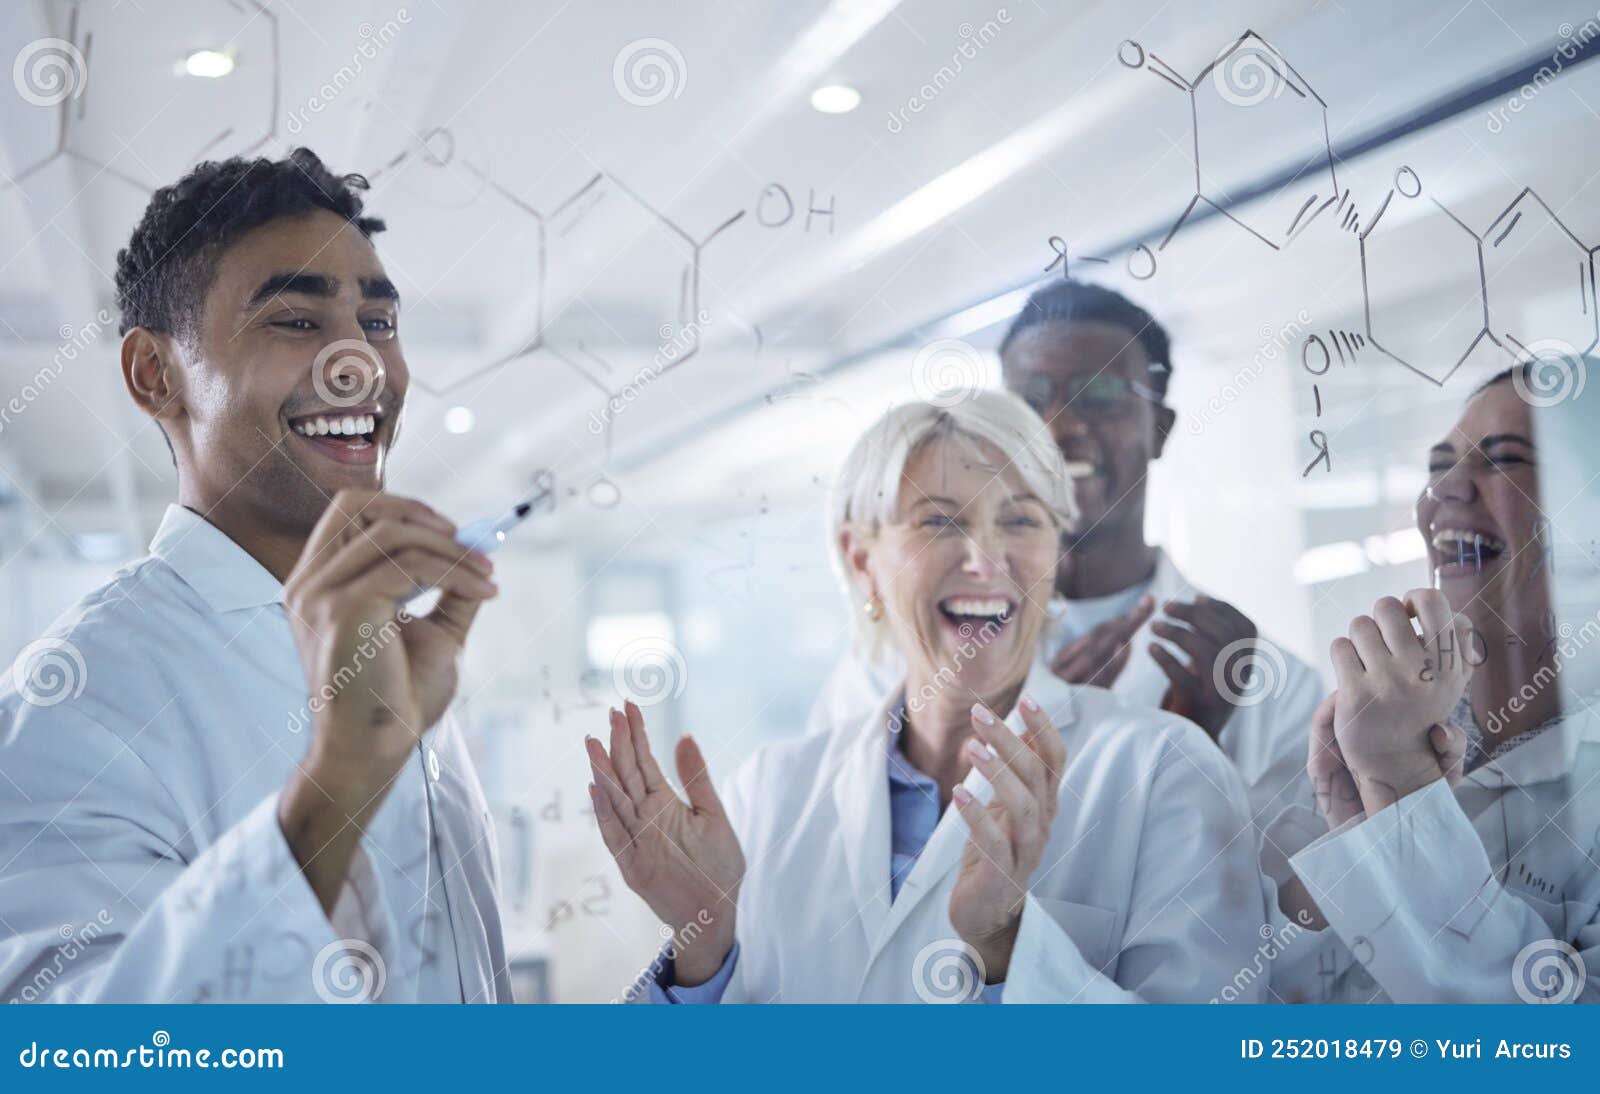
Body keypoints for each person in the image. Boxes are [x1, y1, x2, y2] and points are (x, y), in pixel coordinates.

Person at [0, 150, 508, 1003]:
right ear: (154, 375)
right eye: (297, 322)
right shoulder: (69, 707)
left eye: (377, 325)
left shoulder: (395, 649)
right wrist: (333, 788)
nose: (361, 365)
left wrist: (689, 965)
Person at [587, 391, 1267, 1002]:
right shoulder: (770, 794)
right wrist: (702, 949)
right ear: (862, 560)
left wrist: (1007, 949)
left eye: (1022, 522)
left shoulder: (1165, 772)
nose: (984, 558)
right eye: (940, 522)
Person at [810, 280, 1324, 824]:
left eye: (1100, 396)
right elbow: (853, 867)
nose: (1057, 427)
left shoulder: (1262, 682)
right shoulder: (894, 662)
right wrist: (1025, 716)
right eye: (1029, 401)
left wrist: (1193, 745)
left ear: (1161, 429)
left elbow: (1278, 894)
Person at [1266, 363, 1599, 1003]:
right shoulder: (1378, 738)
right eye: (1440, 464)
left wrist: (1408, 795)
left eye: (1503, 460)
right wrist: (1367, 826)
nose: (1443, 489)